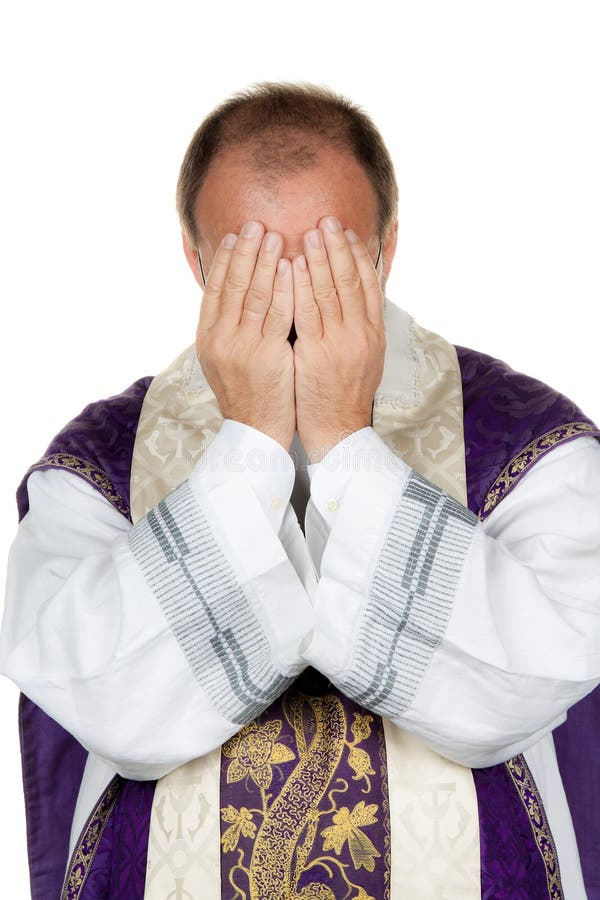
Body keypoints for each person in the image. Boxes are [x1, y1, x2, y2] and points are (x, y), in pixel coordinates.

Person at [1, 82, 599, 900]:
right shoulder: (93, 465)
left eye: (328, 264)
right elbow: (103, 705)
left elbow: (522, 688)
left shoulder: (529, 442)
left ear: (386, 250)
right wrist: (247, 443)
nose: (289, 301)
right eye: (246, 266)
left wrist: (346, 443)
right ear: (196, 258)